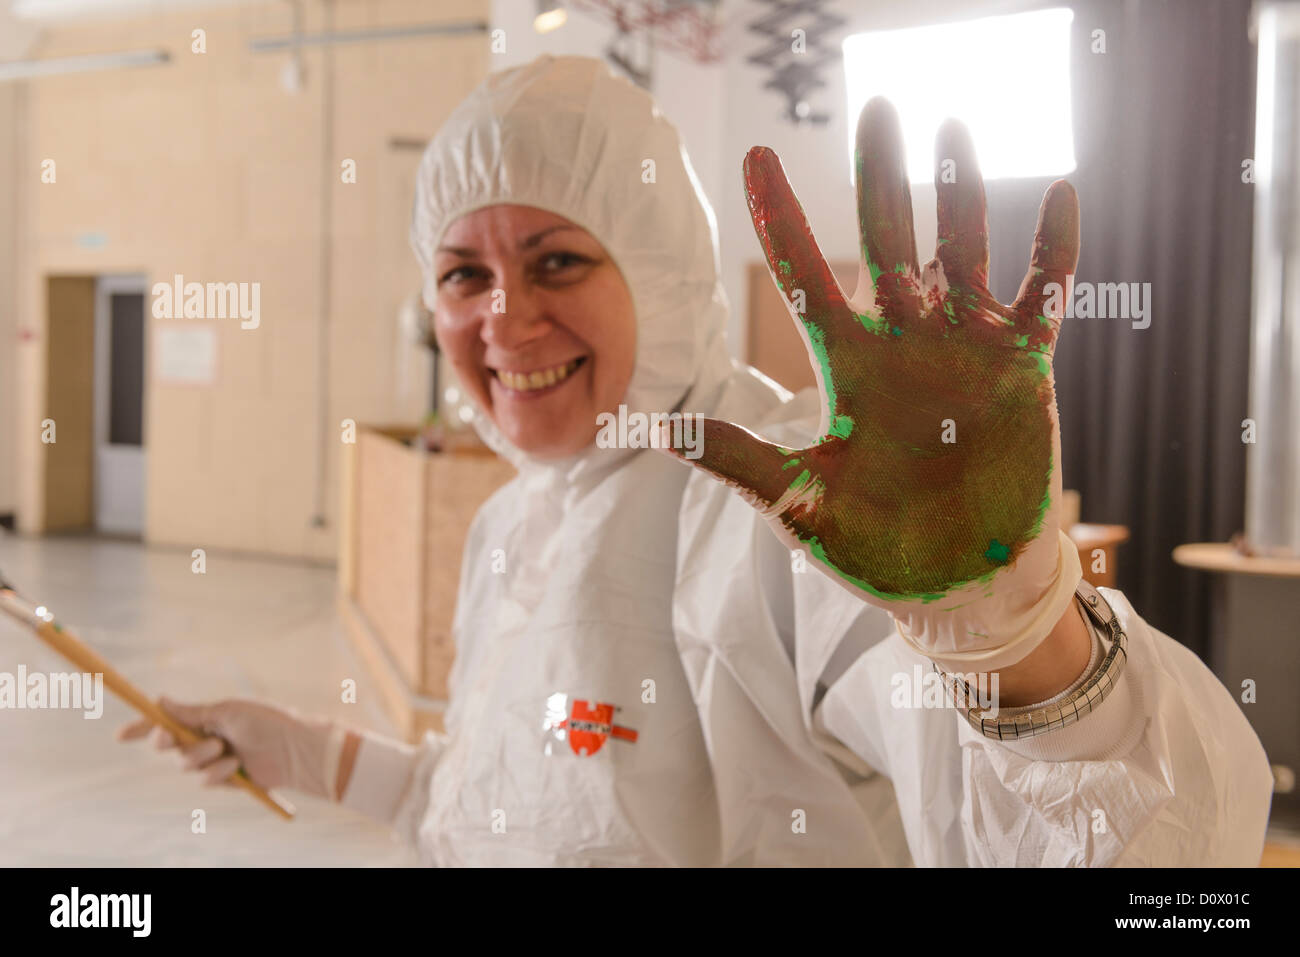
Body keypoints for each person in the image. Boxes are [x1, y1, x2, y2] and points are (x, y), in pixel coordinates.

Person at [120, 54, 1273, 866]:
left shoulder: (797, 510)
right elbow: (507, 816)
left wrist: (1016, 639)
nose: (504, 321)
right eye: (463, 275)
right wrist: (315, 756)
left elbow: (1108, 851)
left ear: (666, 280)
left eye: (558, 261)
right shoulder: (512, 527)